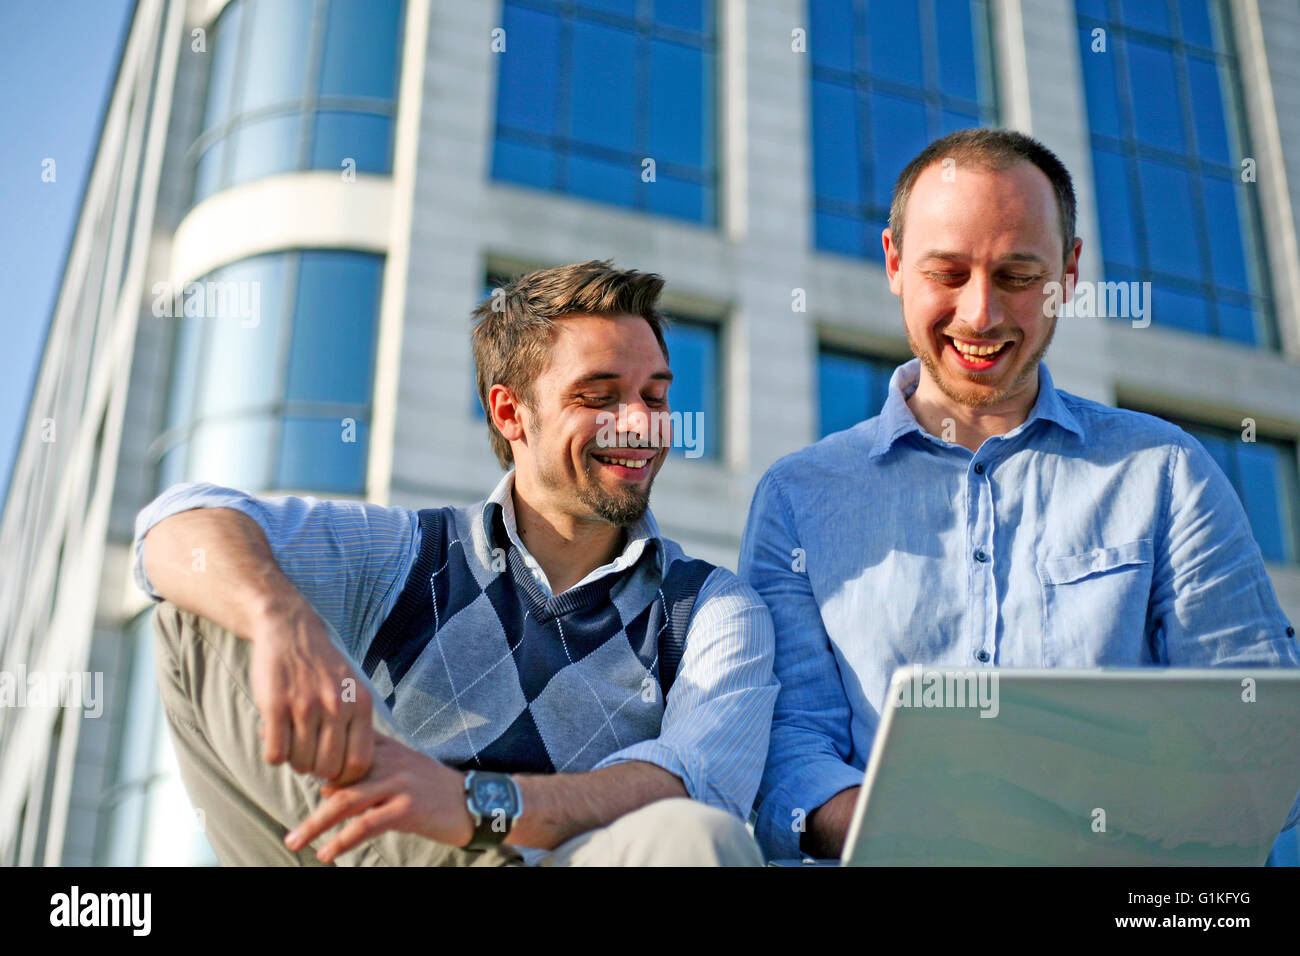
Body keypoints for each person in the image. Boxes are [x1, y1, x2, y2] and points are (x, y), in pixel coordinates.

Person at [738, 129, 1300, 862]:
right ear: (895, 263)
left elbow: (1260, 736)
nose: (981, 316)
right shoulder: (796, 500)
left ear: (1068, 271)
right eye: (948, 273)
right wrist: (930, 831)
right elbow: (786, 752)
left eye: (1016, 276)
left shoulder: (1165, 474)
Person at [136, 259, 776, 866]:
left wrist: (477, 806)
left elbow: (698, 782)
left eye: (655, 398)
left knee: (695, 834)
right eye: (600, 396)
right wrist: (281, 621)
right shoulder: (414, 555)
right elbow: (176, 527)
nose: (639, 424)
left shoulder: (706, 609)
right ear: (509, 412)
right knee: (205, 610)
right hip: (373, 848)